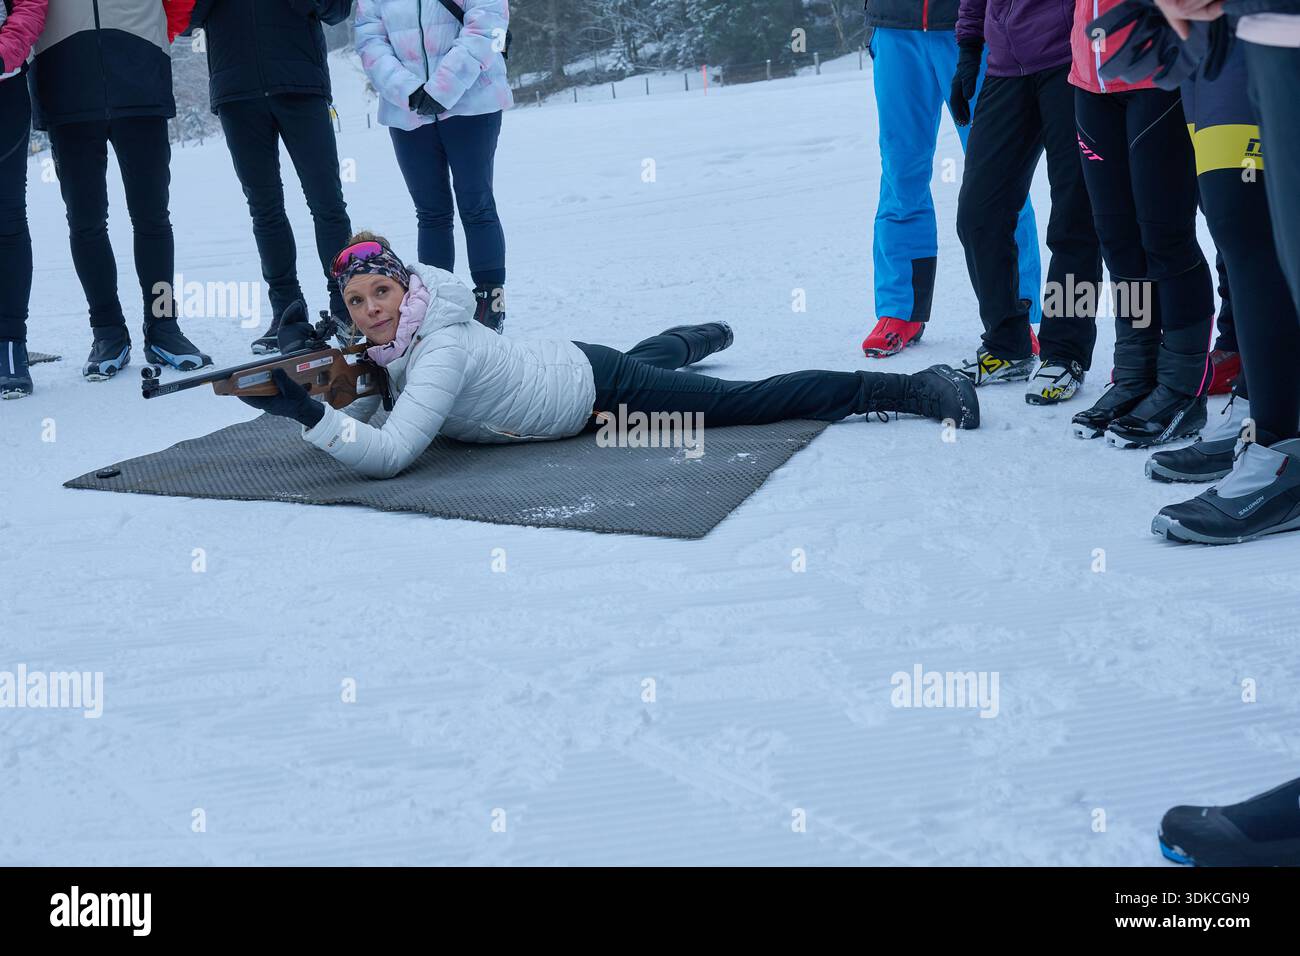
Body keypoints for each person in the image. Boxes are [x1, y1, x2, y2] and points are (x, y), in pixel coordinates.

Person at [237, 233, 981, 479]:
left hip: (592, 393)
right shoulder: (393, 344)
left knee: (739, 405)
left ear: (406, 286)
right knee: (649, 361)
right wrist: (337, 391)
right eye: (357, 302)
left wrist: (307, 414)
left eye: (382, 291)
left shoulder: (439, 347)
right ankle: (693, 339)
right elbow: (378, 412)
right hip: (561, 367)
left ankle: (910, 388)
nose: (372, 309)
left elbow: (394, 453)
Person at [1144, 0, 1300, 544]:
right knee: (1236, 219)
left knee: (1254, 218)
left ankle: (1278, 440)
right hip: (1222, 29)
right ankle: (1264, 422)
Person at [29, 0, 212, 381]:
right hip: (66, 83)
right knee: (86, 222)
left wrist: (151, 35)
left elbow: (179, 5)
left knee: (152, 217)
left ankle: (163, 325)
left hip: (140, 80)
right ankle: (107, 331)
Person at [1066, 0, 1216, 450]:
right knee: (1117, 239)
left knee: (1164, 235)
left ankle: (1183, 389)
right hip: (1090, 76)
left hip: (1158, 71)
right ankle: (1135, 374)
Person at [860, 0, 1041, 359]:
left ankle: (1017, 312)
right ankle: (900, 310)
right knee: (900, 172)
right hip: (894, 26)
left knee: (1000, 173)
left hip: (972, 30)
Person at [951, 0, 1103, 404]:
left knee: (1074, 213)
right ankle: (1007, 345)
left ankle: (1065, 352)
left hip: (1068, 61)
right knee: (978, 213)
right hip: (1005, 68)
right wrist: (969, 49)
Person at [187, 0, 355, 355]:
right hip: (237, 91)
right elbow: (184, 21)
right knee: (265, 210)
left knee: (326, 202)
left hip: (300, 83)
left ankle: (346, 302)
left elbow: (338, 10)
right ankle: (287, 311)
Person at [355, 0, 511, 334]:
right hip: (407, 110)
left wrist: (443, 87)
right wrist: (407, 90)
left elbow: (487, 24)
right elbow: (369, 37)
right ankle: (438, 299)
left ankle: (490, 302)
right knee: (431, 212)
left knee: (477, 203)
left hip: (472, 101)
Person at [0, 0, 48, 399]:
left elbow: (30, 5)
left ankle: (10, 344)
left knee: (7, 217)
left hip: (3, 87)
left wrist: (4, 53)